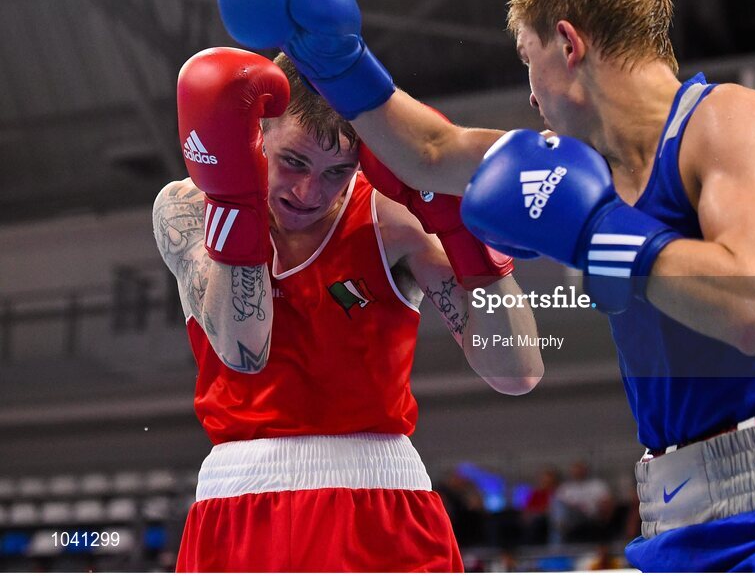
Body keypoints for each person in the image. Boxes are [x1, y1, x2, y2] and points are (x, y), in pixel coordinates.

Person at [217, 0, 755, 571]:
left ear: (568, 43)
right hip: (676, 509)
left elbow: (754, 309)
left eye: (527, 58)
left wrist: (596, 230)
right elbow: (426, 150)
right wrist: (335, 59)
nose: (530, 93)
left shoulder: (731, 121)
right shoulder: (581, 163)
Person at [153, 47, 542, 571]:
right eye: (293, 161)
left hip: (380, 496)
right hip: (240, 496)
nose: (310, 191)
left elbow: (517, 372)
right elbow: (243, 350)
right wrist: (235, 201)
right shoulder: (188, 206)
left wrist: (462, 233)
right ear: (257, 133)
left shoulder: (391, 218)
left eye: (338, 171)